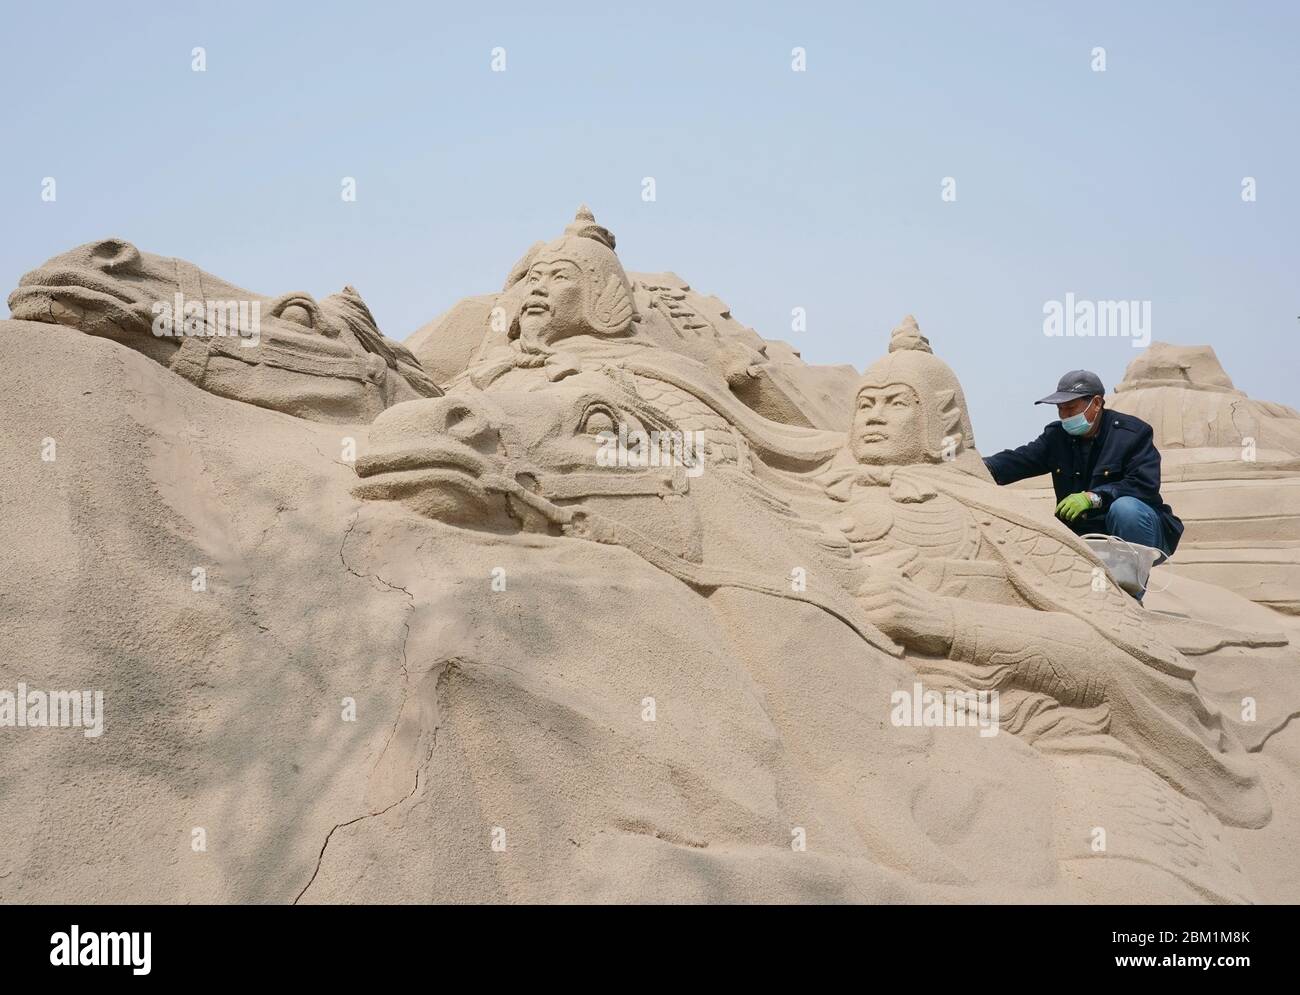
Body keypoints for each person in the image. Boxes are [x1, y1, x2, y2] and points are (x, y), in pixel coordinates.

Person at [983, 370, 1182, 562]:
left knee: (1125, 509)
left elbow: (1143, 485)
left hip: (1142, 532)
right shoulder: (1056, 437)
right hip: (1087, 535)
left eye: (1070, 408)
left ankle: (1131, 585)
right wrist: (981, 465)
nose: (1064, 415)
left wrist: (1094, 497)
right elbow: (1019, 459)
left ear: (1096, 403)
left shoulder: (1132, 434)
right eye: (1060, 409)